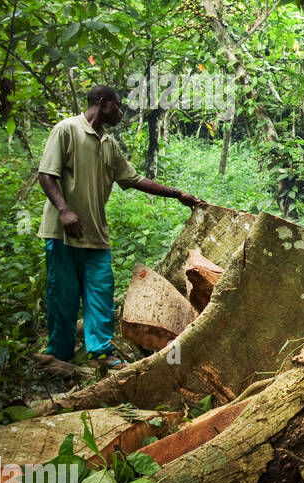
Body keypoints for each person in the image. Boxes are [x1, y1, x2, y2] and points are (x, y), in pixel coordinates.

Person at [37, 85, 205, 367]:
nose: (120, 112)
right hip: (63, 232)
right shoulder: (67, 130)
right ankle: (58, 354)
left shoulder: (108, 144)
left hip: (95, 234)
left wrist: (177, 194)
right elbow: (46, 175)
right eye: (117, 106)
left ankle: (100, 352)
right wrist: (64, 210)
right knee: (62, 295)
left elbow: (134, 179)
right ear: (102, 103)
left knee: (101, 293)